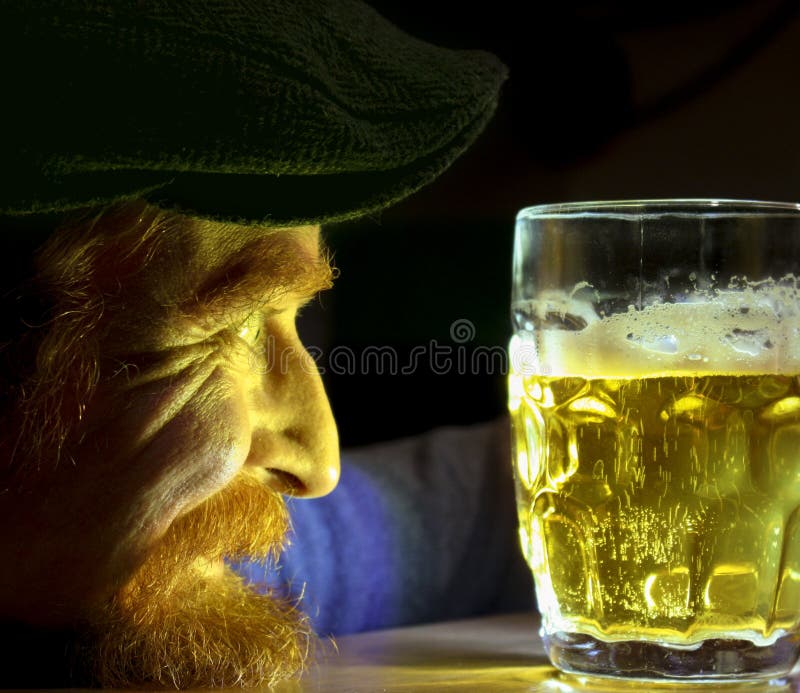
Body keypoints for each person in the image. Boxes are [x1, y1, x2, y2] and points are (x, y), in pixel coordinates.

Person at [0, 0, 519, 687]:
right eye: (228, 325)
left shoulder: (129, 569)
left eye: (292, 321)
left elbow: (442, 522)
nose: (318, 462)